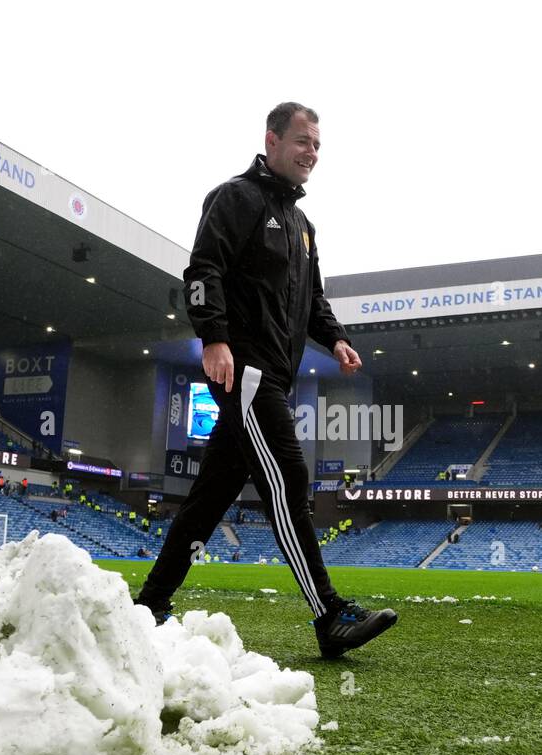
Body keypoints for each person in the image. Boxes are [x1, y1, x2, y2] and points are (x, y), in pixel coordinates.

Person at [133, 102, 396, 657]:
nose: (312, 153)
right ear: (272, 140)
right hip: (247, 371)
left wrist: (338, 338)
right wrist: (214, 337)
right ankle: (329, 615)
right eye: (303, 141)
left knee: (207, 502)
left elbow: (312, 301)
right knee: (289, 479)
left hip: (277, 371)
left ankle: (148, 606)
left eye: (318, 145)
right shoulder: (236, 198)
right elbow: (204, 269)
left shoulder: (302, 227)